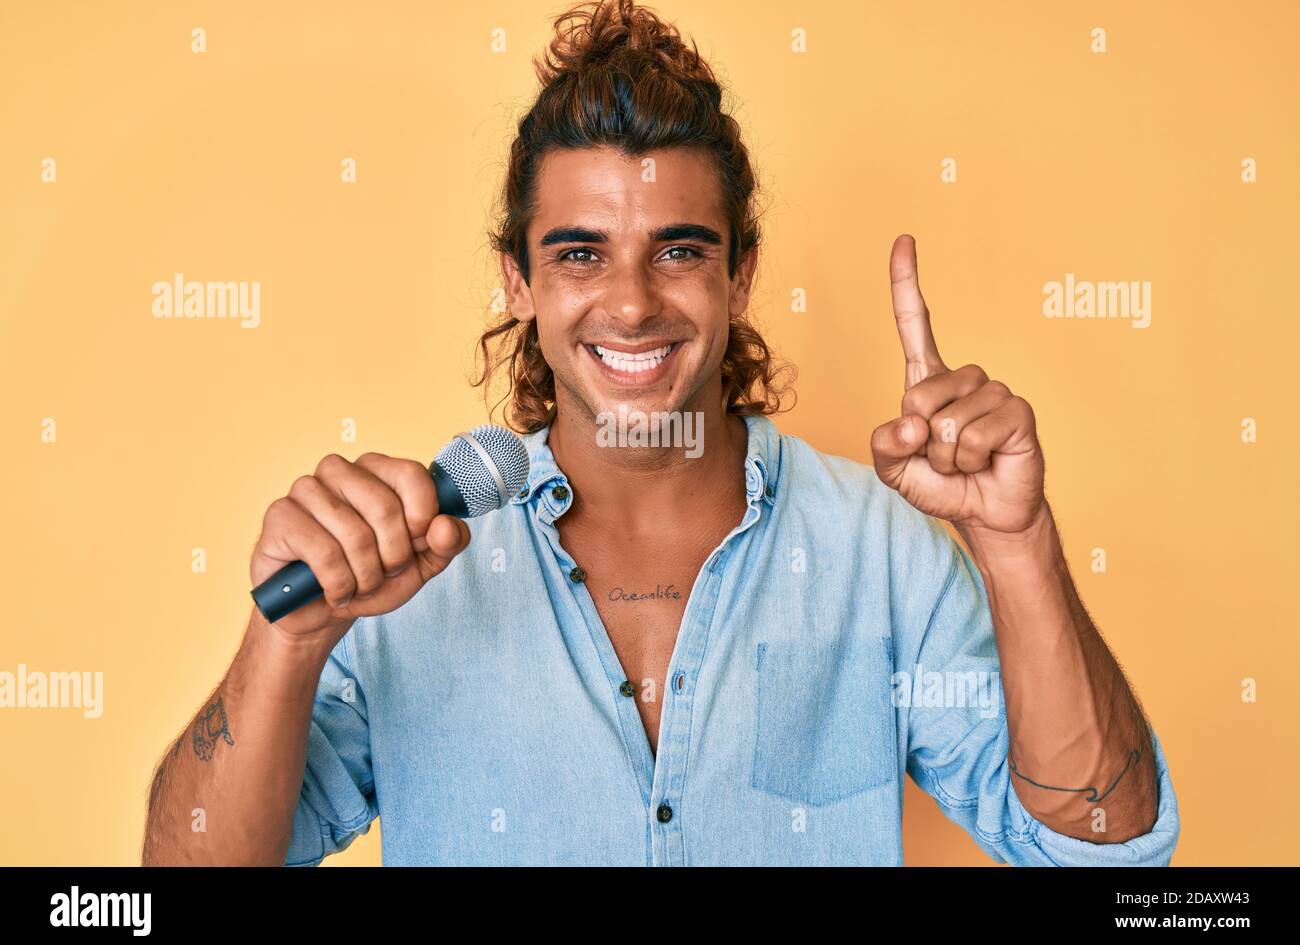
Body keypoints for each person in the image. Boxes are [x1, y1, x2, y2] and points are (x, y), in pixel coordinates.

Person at [142, 0, 1179, 866]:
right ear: (520, 281)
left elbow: (1100, 849)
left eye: (677, 250)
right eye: (581, 254)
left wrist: (1015, 542)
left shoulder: (881, 552)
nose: (630, 304)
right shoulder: (397, 567)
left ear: (738, 272)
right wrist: (286, 640)